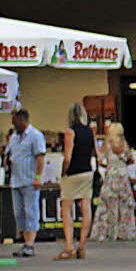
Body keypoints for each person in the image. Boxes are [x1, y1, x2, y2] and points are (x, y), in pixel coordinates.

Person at [54, 102, 97, 260]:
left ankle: (69, 247)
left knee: (66, 209)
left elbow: (67, 157)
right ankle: (82, 246)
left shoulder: (70, 132)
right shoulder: (90, 131)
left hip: (73, 173)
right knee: (86, 208)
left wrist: (63, 172)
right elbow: (95, 153)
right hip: (87, 171)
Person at [5, 108, 46, 258]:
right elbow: (9, 153)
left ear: (22, 120)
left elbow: (40, 157)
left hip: (29, 180)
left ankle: (30, 243)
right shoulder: (14, 137)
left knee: (31, 211)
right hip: (16, 180)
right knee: (19, 213)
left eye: (14, 120)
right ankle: (25, 241)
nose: (12, 123)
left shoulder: (35, 135)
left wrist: (38, 177)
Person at [92, 122, 136, 241]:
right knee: (124, 206)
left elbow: (101, 161)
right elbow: (131, 159)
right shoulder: (125, 144)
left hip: (111, 175)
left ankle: (106, 233)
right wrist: (122, 164)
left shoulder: (107, 144)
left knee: (108, 206)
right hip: (123, 175)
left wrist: (110, 164)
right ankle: (124, 233)